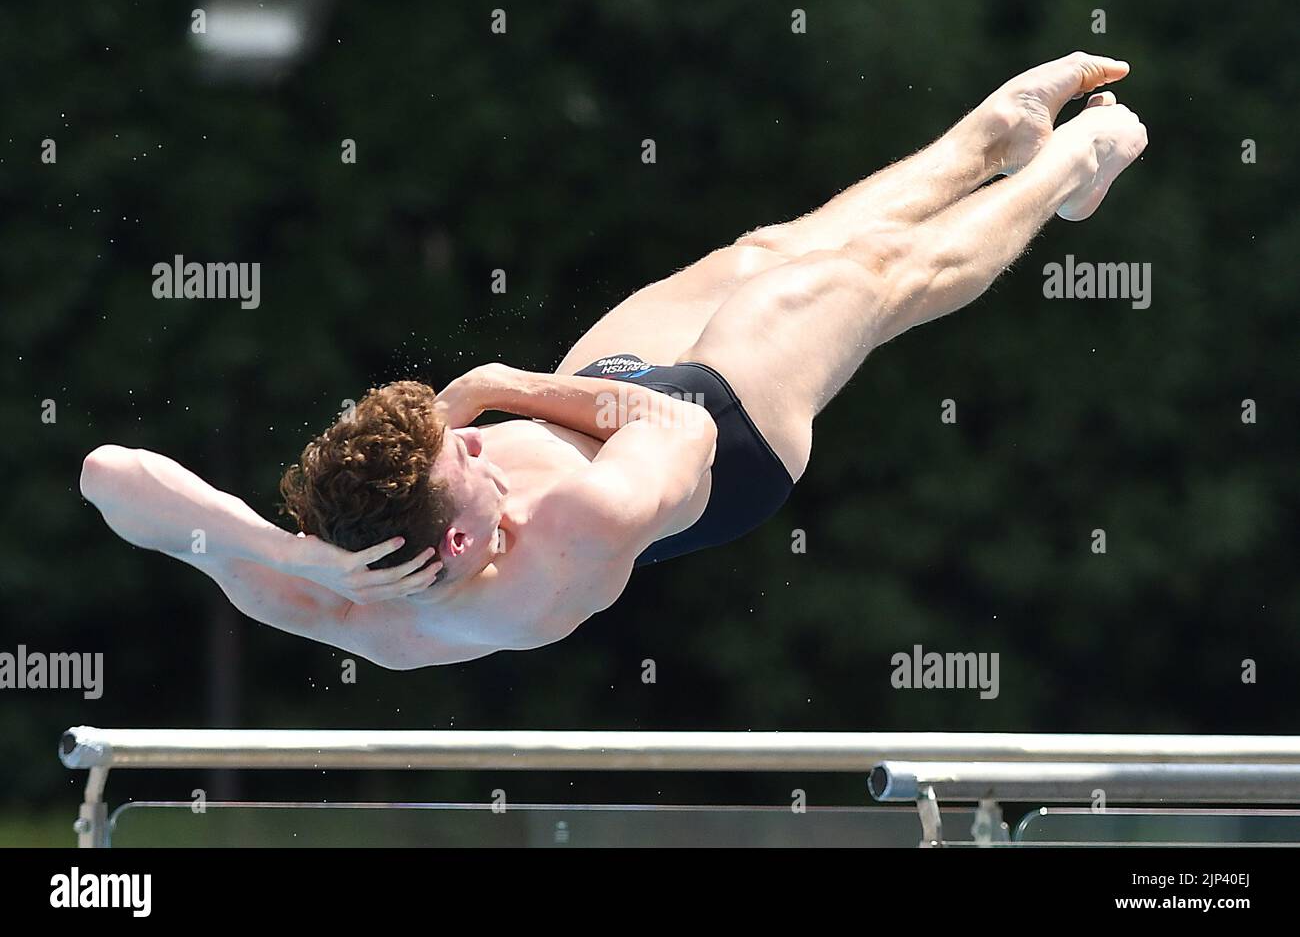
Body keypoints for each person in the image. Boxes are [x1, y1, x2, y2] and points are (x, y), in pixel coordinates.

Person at [81, 53, 1147, 668]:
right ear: (459, 539)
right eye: (477, 467)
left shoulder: (321, 584)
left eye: (469, 443)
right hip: (713, 444)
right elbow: (665, 426)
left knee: (762, 253)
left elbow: (107, 474)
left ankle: (989, 135)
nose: (487, 454)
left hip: (605, 397)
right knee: (869, 278)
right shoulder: (562, 542)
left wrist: (280, 549)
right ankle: (1070, 164)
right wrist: (504, 386)